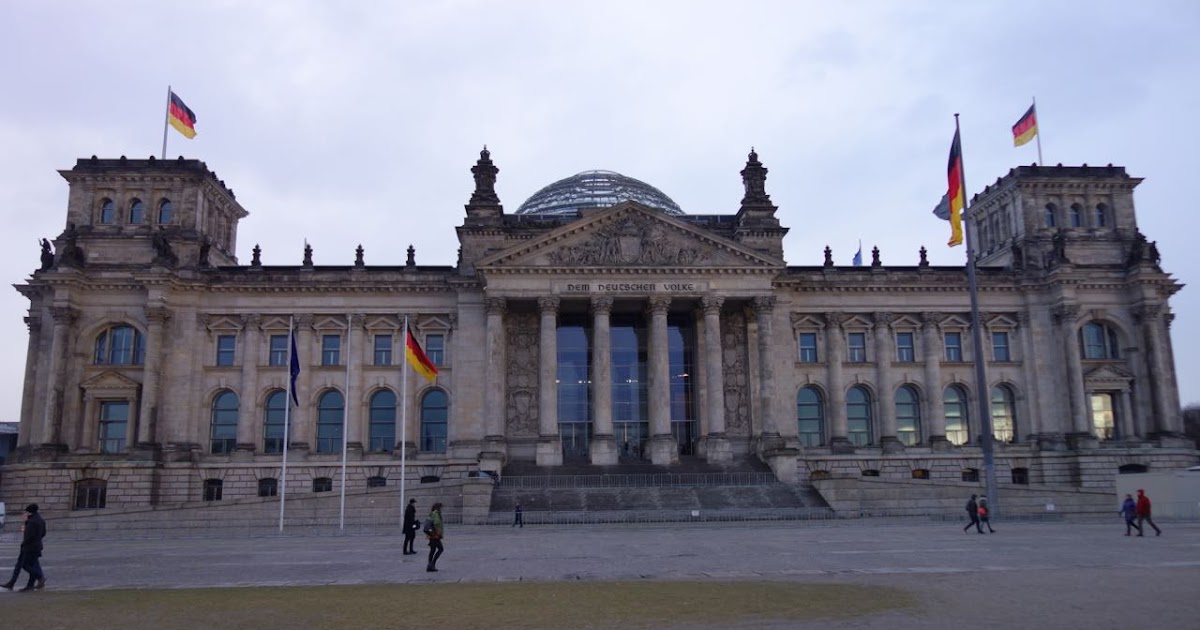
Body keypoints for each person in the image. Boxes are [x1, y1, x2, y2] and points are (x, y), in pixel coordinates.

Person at [2, 504, 46, 592]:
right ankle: (17, 583)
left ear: (29, 512)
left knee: (25, 565)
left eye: (26, 512)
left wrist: (24, 543)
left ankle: (39, 577)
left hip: (29, 547)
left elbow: (29, 536)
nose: (25, 514)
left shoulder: (32, 521)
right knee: (22, 565)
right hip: (36, 546)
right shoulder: (40, 520)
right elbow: (43, 533)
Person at [426, 502, 444, 572]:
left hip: (431, 535)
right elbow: (436, 523)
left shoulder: (432, 513)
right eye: (441, 508)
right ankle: (432, 564)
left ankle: (430, 565)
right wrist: (439, 531)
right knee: (441, 549)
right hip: (435, 535)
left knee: (432, 550)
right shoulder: (436, 514)